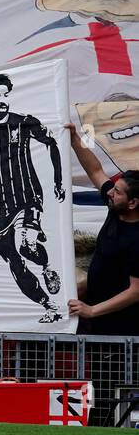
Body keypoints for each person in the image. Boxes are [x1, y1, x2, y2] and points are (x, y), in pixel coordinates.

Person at [0, 73, 66, 323]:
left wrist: (58, 182)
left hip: (26, 196)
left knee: (24, 245)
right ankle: (48, 305)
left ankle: (47, 267)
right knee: (14, 261)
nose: (3, 100)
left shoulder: (24, 122)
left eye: (5, 94)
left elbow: (52, 143)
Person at [67, 123, 139, 333]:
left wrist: (92, 310)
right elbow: (96, 170)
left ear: (133, 203)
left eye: (117, 191)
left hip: (121, 328)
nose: (109, 192)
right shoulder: (116, 209)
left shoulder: (136, 240)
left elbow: (136, 291)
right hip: (98, 319)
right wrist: (74, 139)